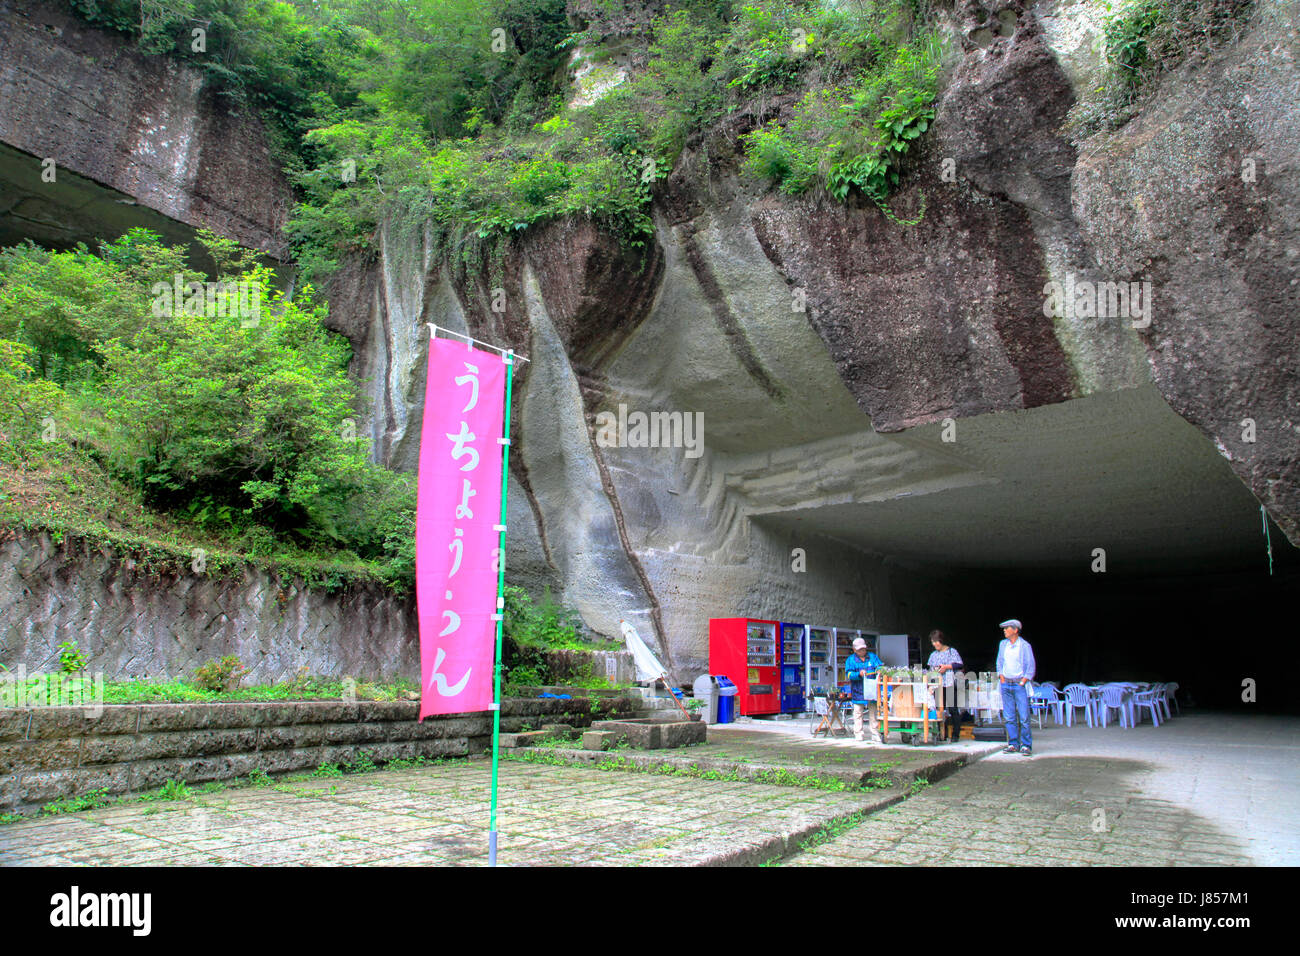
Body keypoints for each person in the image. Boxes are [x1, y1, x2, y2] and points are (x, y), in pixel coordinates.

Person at [996, 618, 1036, 756]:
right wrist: (1001, 678)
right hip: (1006, 683)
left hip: (1019, 684)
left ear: (1015, 630)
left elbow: (1030, 666)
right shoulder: (1003, 644)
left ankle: (1026, 745)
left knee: (1024, 716)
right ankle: (1013, 743)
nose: (1004, 630)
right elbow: (999, 662)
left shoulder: (1024, 646)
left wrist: (1023, 681)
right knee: (1009, 716)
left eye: (1007, 628)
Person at [926, 629, 964, 742]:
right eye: (933, 642)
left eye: (936, 641)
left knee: (952, 709)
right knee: (938, 709)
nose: (935, 644)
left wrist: (946, 667)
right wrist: (930, 685)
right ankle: (941, 734)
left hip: (950, 683)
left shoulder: (952, 651)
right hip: (938, 685)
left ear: (941, 640)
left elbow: (959, 664)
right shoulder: (933, 655)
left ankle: (956, 735)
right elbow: (930, 669)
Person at [845, 637, 884, 744]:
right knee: (858, 713)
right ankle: (858, 733)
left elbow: (880, 667)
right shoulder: (850, 660)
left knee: (873, 712)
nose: (861, 651)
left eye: (863, 649)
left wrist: (879, 671)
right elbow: (848, 674)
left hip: (872, 690)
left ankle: (875, 733)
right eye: (859, 650)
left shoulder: (872, 657)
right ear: (854, 649)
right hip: (858, 690)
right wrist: (858, 674)